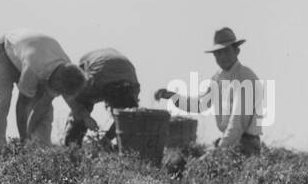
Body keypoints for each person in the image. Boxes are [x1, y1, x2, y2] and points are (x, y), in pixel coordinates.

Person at [155, 27, 264, 155]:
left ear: (237, 51)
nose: (222, 57)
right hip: (229, 141)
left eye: (226, 51)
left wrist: (219, 150)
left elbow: (238, 123)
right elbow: (201, 104)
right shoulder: (217, 78)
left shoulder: (245, 77)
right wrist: (174, 97)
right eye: (218, 53)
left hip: (246, 145)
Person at [0, 29, 86, 151]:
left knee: (46, 106)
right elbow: (22, 106)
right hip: (3, 52)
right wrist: (24, 139)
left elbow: (44, 104)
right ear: (58, 80)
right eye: (59, 91)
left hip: (29, 54)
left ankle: (40, 151)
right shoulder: (34, 69)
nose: (57, 94)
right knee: (2, 102)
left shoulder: (64, 65)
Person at [62, 48, 141, 149]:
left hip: (123, 69)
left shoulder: (134, 88)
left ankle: (73, 148)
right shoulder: (90, 83)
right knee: (82, 108)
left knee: (129, 117)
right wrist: (85, 116)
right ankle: (72, 148)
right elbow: (67, 94)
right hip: (95, 66)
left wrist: (106, 139)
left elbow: (126, 119)